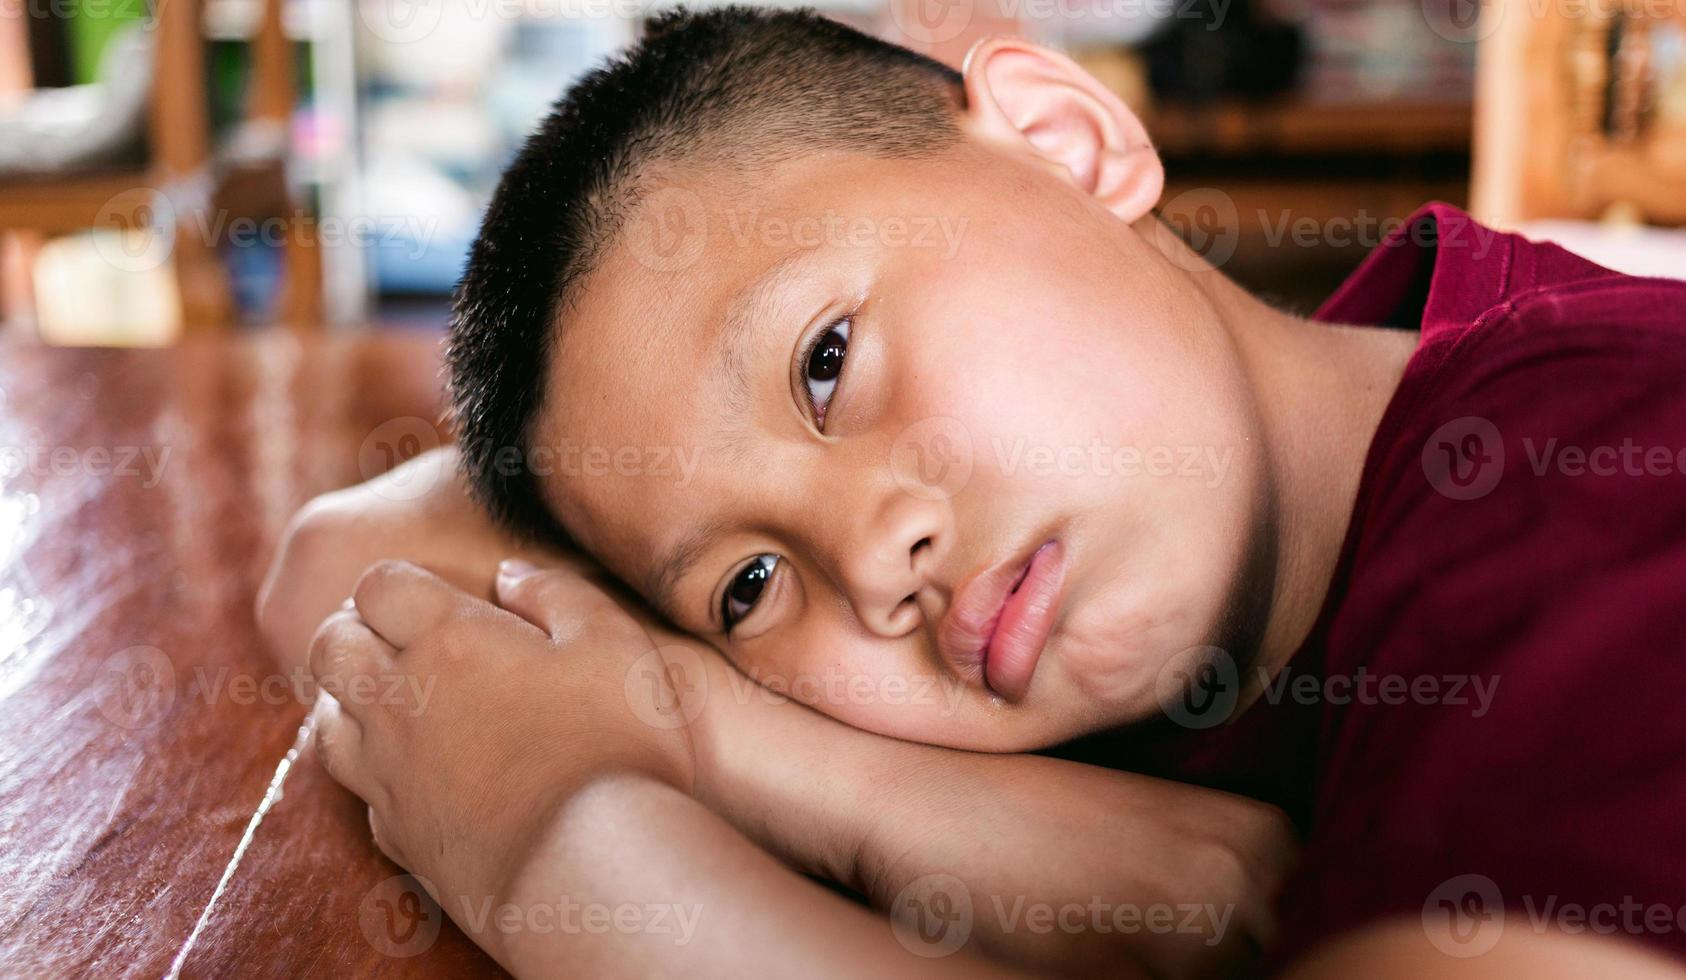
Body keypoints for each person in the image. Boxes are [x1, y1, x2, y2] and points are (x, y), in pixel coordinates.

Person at [258, 7, 1686, 977]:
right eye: (745, 589)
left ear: (1066, 142)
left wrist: (559, 852)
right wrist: (844, 784)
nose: (875, 559)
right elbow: (343, 570)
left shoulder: (1583, 444)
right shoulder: (1185, 531)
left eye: (826, 364)